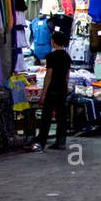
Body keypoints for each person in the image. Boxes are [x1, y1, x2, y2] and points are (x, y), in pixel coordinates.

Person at [30, 14, 72, 151]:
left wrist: (43, 93)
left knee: (46, 117)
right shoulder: (66, 56)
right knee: (61, 117)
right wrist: (66, 87)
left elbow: (49, 75)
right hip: (62, 89)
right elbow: (67, 74)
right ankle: (61, 142)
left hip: (52, 89)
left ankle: (41, 141)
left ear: (53, 42)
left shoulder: (51, 56)